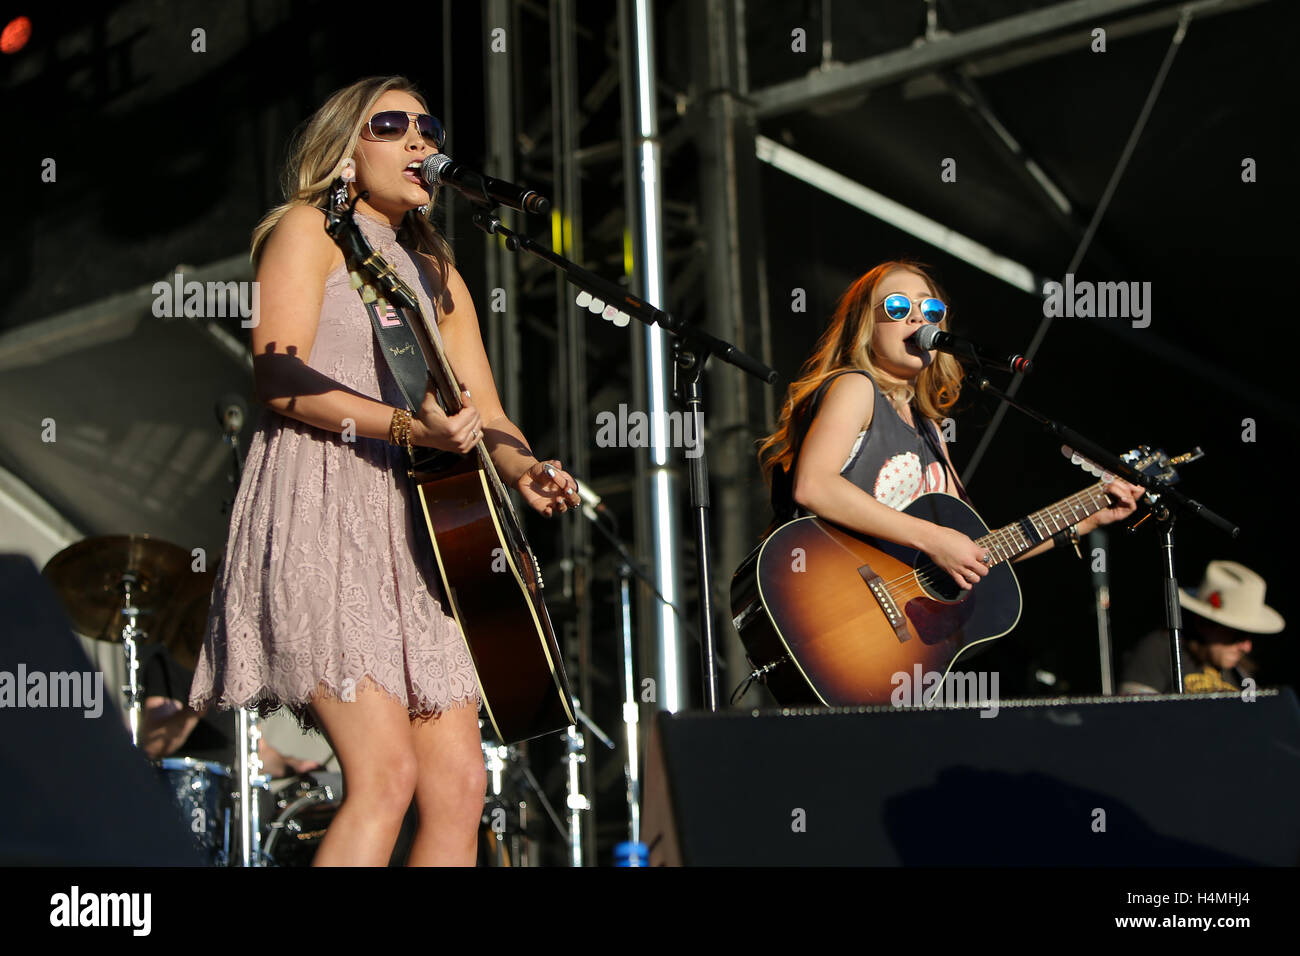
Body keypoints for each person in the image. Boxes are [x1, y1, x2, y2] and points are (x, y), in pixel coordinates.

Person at [189, 76, 581, 867]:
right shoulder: (308, 231)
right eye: (391, 125)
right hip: (325, 505)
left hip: (427, 538)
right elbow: (280, 377)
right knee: (386, 776)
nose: (418, 141)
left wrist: (523, 467)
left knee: (462, 787)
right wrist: (408, 424)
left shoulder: (436, 267)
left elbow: (487, 412)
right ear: (343, 151)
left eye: (428, 129)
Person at [757, 260, 1144, 590]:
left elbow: (977, 549)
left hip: (892, 637)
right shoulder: (856, 387)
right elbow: (814, 486)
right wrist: (933, 538)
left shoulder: (929, 428)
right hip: (831, 591)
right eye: (896, 307)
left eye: (931, 310)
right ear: (864, 325)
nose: (917, 317)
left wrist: (1087, 517)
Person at [1120, 560, 1285, 694]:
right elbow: (1137, 721)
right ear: (1204, 623)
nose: (1247, 647)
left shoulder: (1240, 673)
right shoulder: (1161, 650)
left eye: (1251, 636)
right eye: (1238, 635)